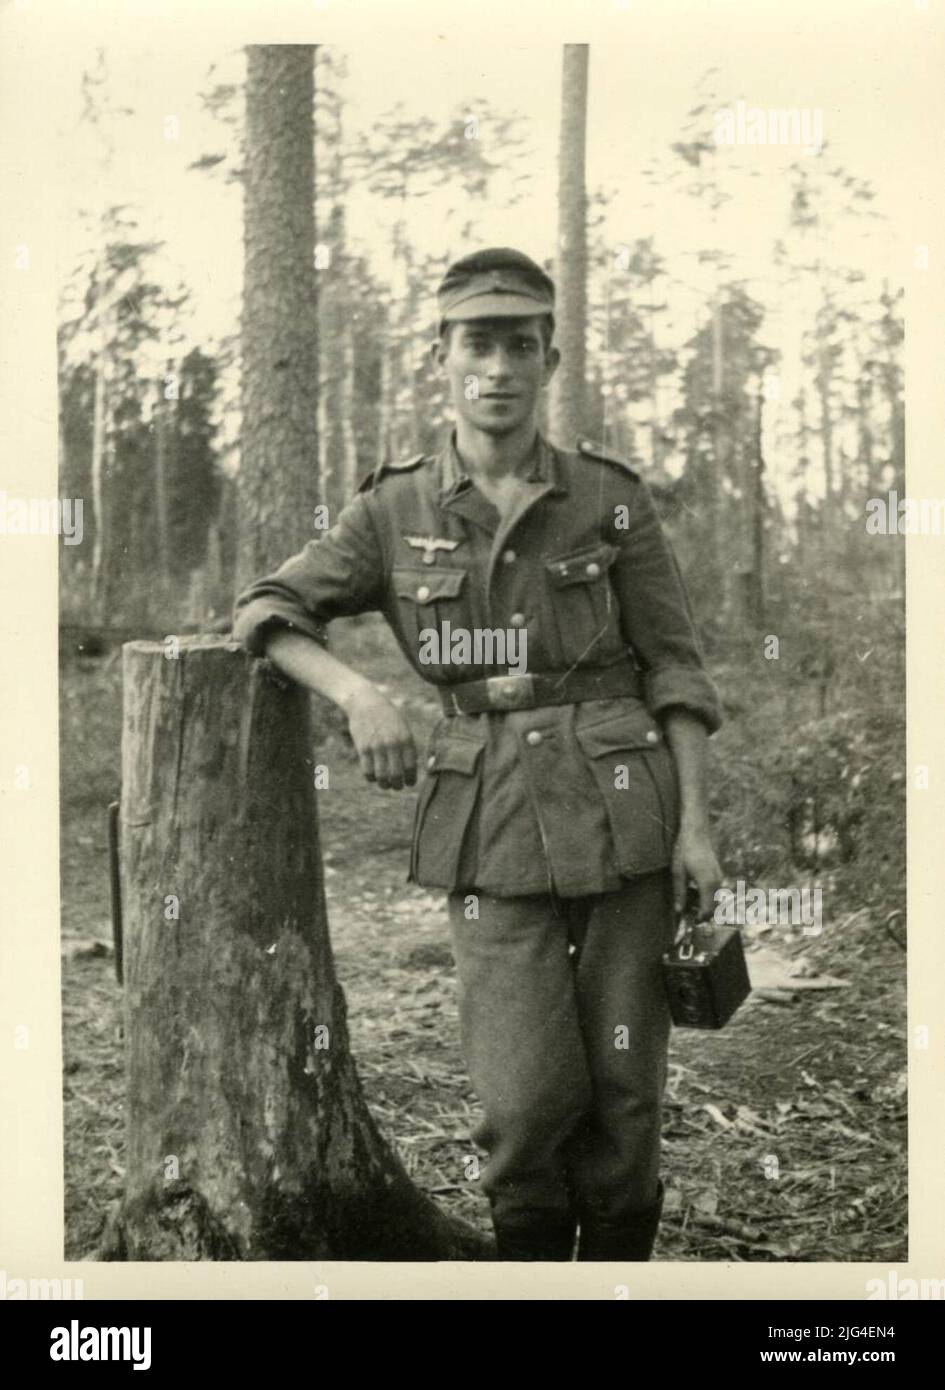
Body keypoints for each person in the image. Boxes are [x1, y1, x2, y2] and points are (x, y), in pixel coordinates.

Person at [232, 247, 724, 1261]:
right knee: (521, 1098)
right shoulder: (394, 510)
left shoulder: (609, 498)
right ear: (441, 358)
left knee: (628, 1098)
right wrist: (361, 693)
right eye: (477, 345)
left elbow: (677, 672)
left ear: (548, 360)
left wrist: (698, 830)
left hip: (626, 808)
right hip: (486, 824)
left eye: (519, 346)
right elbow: (268, 609)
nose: (497, 368)